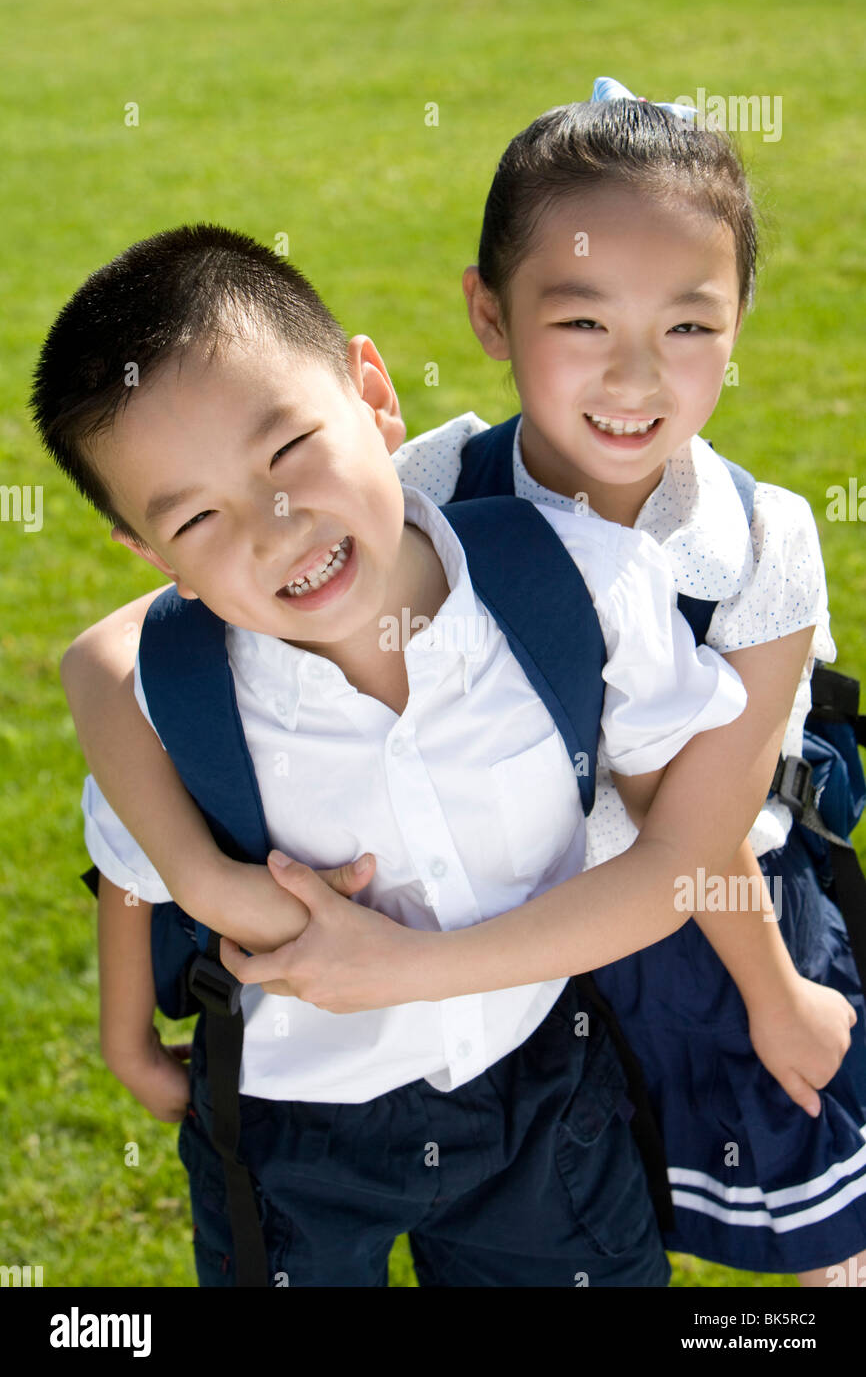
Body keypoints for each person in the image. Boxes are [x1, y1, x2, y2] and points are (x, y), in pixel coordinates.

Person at [50, 75, 865, 1285]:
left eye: (688, 325)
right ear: (488, 315)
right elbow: (132, 648)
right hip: (534, 957)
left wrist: (772, 991)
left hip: (714, 920)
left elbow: (685, 845)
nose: (635, 378)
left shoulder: (755, 537)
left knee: (808, 1214)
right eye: (583, 322)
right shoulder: (425, 481)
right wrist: (200, 883)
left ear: (741, 314)